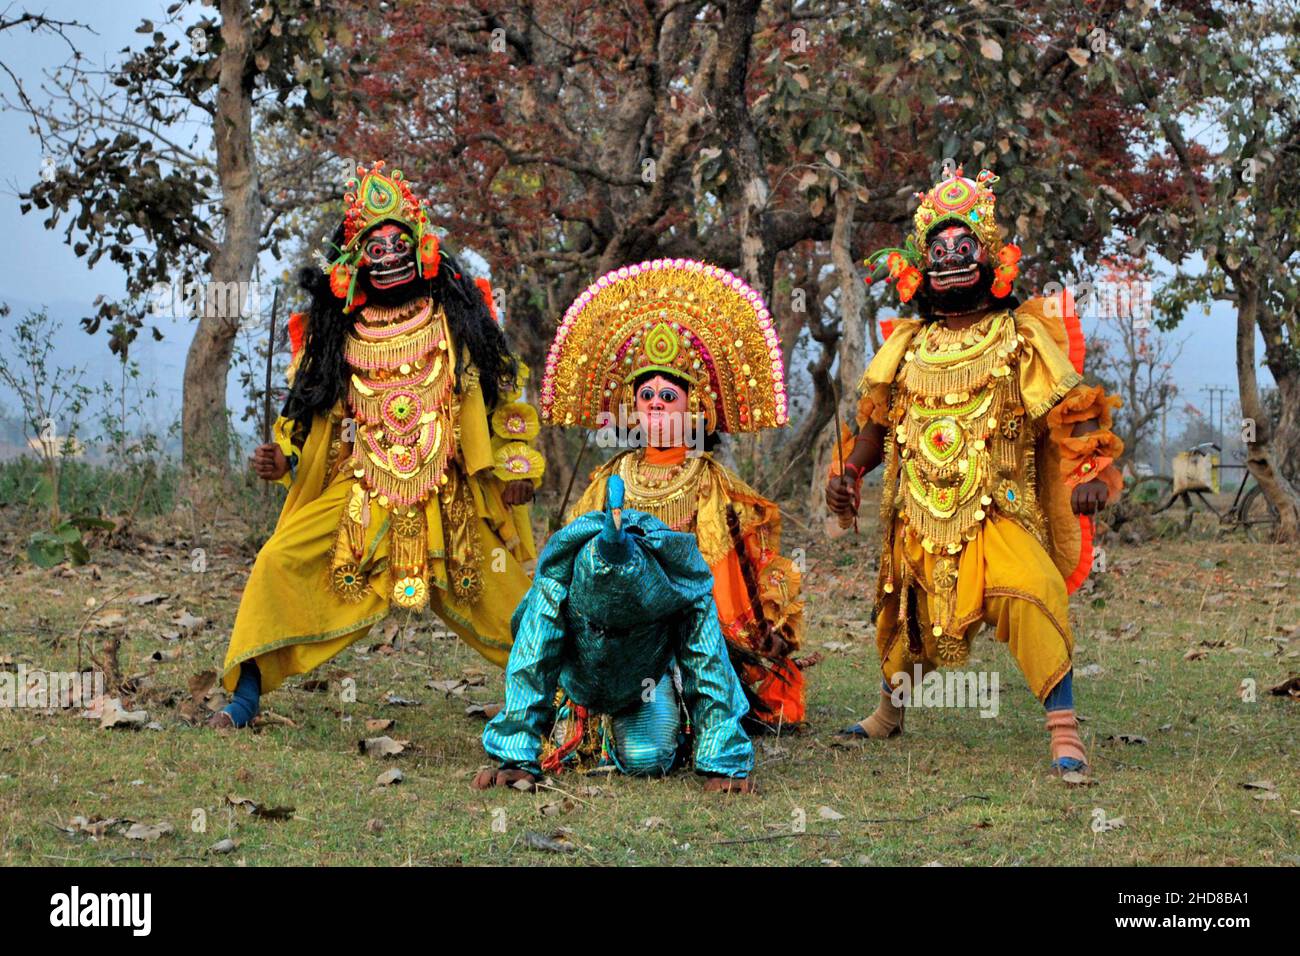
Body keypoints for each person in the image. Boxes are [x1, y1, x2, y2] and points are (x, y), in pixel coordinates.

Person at [208, 161, 545, 729]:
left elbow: (503, 396)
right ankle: (243, 695)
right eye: (374, 244)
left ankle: (556, 693)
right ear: (352, 260)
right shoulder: (335, 333)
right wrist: (283, 458)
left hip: (449, 491)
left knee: (516, 603)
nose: (387, 254)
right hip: (362, 492)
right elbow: (307, 414)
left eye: (398, 241)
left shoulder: (460, 319)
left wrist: (517, 470)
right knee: (277, 562)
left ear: (423, 249)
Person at [825, 167, 1124, 774]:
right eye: (938, 251)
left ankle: (1064, 731)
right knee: (906, 617)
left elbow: (1073, 408)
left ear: (991, 263)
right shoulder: (906, 346)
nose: (951, 259)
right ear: (919, 268)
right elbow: (879, 427)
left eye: (965, 249)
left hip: (1000, 508)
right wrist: (852, 474)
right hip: (918, 511)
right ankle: (889, 712)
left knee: (1034, 593)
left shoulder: (1021, 337)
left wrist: (1089, 471)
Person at [548, 259, 810, 731]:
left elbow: (738, 570)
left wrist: (768, 631)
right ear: (631, 408)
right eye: (645, 395)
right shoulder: (611, 477)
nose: (655, 404)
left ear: (698, 408)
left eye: (669, 396)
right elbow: (576, 561)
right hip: (623, 631)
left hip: (696, 627)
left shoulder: (710, 482)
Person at [475, 475, 755, 793]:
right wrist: (516, 759)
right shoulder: (557, 579)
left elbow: (709, 665)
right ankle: (560, 714)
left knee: (648, 759)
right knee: (560, 731)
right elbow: (532, 662)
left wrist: (723, 762)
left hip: (645, 680)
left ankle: (673, 710)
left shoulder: (681, 581)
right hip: (577, 684)